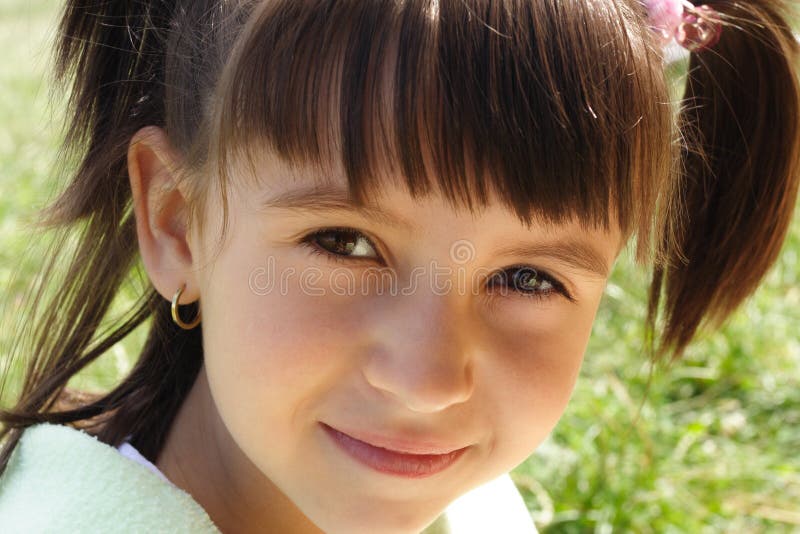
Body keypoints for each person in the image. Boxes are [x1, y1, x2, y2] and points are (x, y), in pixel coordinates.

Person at [0, 0, 798, 532]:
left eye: (527, 277)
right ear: (178, 224)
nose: (428, 380)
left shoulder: (475, 507)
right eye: (344, 243)